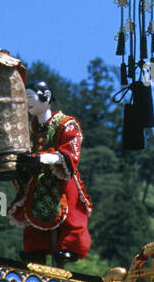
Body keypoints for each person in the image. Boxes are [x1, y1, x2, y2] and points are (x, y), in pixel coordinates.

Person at [8, 82, 92, 267]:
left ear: (45, 95)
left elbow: (71, 150)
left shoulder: (65, 124)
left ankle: (69, 247)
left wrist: (50, 158)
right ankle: (35, 249)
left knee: (71, 212)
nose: (26, 103)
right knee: (33, 211)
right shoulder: (29, 128)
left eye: (29, 98)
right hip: (37, 178)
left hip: (60, 176)